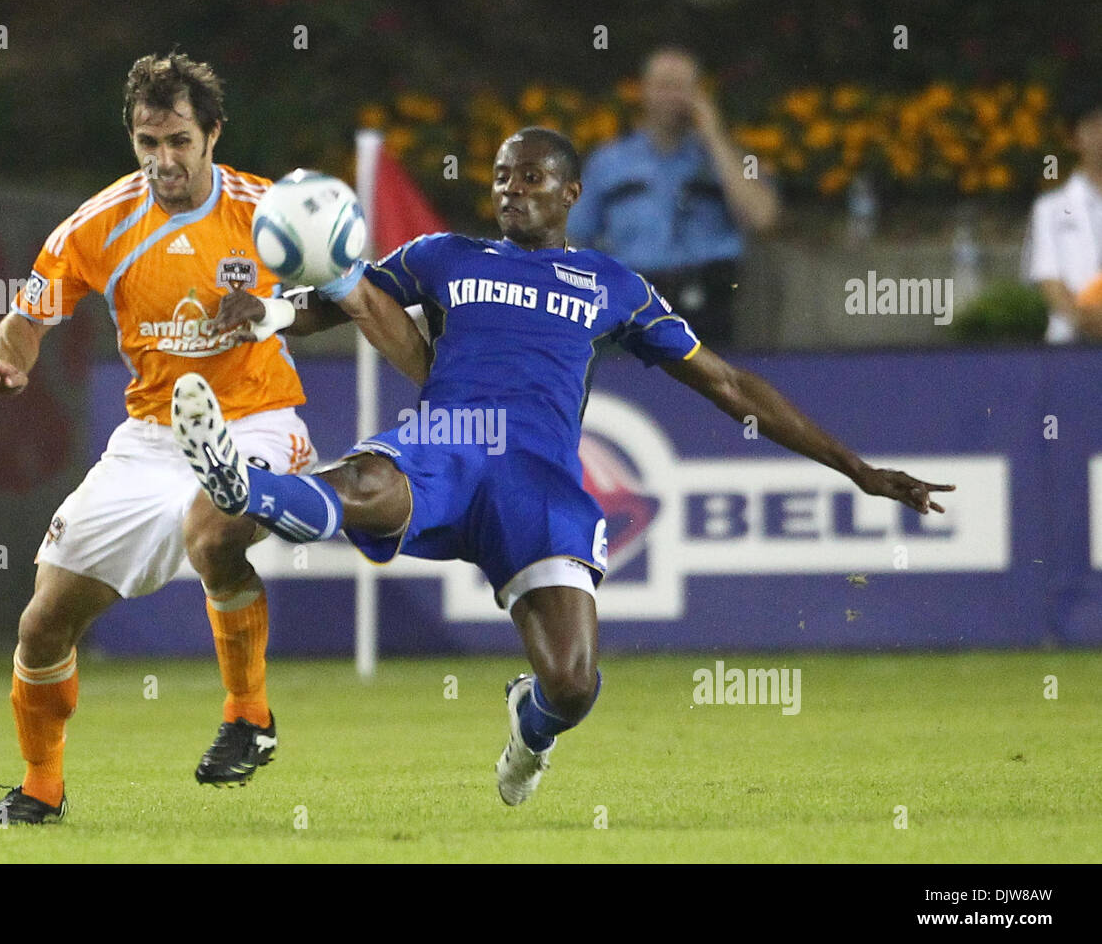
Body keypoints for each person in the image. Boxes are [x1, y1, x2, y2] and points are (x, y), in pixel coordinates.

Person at [171, 126, 954, 806]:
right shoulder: (445, 254)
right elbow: (344, 298)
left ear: (572, 190)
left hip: (537, 479)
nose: (512, 189)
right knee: (364, 486)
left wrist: (856, 468)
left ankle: (529, 733)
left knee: (573, 684)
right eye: (503, 176)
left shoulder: (612, 284)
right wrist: (272, 311)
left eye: (531, 176)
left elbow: (728, 383)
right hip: (452, 436)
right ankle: (242, 482)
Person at [0, 52, 351, 825]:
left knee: (213, 529)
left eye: (178, 140)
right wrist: (5, 365)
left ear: (213, 134)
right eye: (148, 142)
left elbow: (347, 295)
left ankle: (249, 715)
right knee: (42, 623)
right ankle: (40, 792)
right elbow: (30, 315)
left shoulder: (267, 211)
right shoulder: (99, 224)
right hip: (152, 434)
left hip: (257, 417)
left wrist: (272, 315)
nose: (163, 160)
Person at [566, 47, 778, 349]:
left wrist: (714, 136)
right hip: (630, 308)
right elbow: (574, 238)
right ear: (644, 91)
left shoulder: (727, 159)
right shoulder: (608, 162)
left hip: (709, 304)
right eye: (663, 85)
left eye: (682, 87)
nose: (672, 96)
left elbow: (763, 219)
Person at [1023, 84, 1102, 343]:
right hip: (1069, 347)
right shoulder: (1049, 208)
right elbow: (1048, 279)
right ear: (1074, 138)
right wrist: (1084, 319)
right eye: (1093, 124)